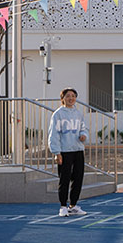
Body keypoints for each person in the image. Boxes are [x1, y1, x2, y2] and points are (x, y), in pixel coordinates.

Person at [48, 88, 89, 217]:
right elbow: (54, 134)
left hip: (78, 150)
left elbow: (84, 128)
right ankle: (63, 206)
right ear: (63, 99)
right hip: (64, 151)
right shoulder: (58, 114)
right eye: (68, 96)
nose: (71, 98)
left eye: (73, 96)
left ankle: (73, 205)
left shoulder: (78, 113)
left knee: (78, 178)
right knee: (64, 179)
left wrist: (83, 135)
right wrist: (56, 152)